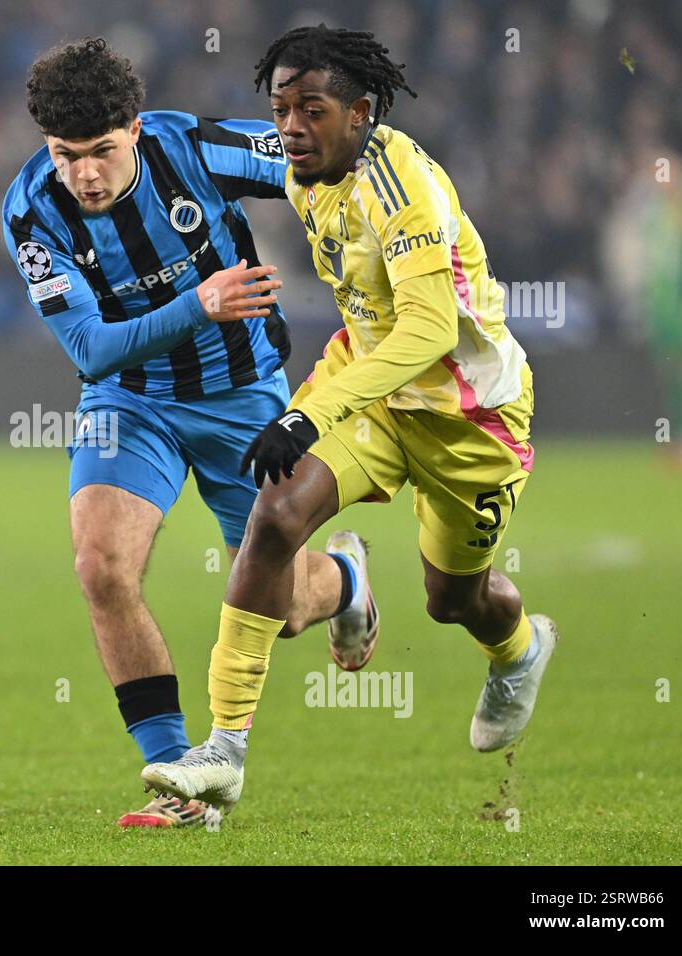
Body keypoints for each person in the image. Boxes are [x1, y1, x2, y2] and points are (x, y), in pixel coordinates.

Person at [143, 25, 557, 815]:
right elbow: (202, 154)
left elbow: (431, 331)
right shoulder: (303, 171)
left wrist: (307, 415)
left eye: (313, 110)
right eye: (280, 109)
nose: (292, 127)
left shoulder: (403, 187)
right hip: (374, 392)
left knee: (454, 600)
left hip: (470, 421)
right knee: (275, 517)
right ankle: (224, 752)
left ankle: (519, 648)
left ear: (362, 111)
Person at [2, 37, 379, 828]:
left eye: (102, 151)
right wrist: (198, 303)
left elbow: (326, 159)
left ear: (135, 129)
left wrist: (374, 254)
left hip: (243, 397)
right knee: (102, 567)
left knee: (288, 608)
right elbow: (92, 347)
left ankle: (344, 583)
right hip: (128, 400)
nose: (86, 175)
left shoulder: (193, 148)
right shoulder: (31, 210)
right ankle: (179, 780)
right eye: (67, 155)